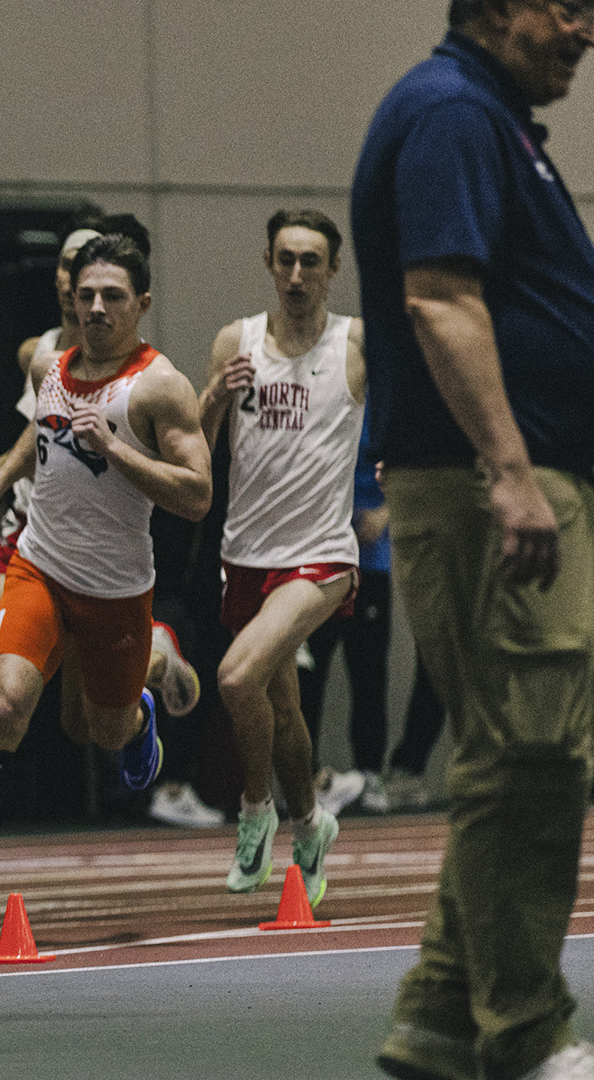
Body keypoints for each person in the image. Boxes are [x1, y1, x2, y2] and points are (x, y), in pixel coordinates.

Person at [353, 3, 594, 1077]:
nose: (585, 31)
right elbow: (441, 301)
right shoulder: (452, 113)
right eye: (566, 6)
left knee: (522, 753)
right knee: (531, 756)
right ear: (494, 9)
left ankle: (443, 1020)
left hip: (511, 476)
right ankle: (525, 1036)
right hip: (486, 481)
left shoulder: (486, 119)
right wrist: (509, 471)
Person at [0, 225, 212, 909]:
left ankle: (145, 697)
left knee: (100, 732)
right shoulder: (49, 369)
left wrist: (117, 450)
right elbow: (40, 433)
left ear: (141, 304)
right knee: (0, 702)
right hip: (39, 566)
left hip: (116, 588)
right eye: (87, 293)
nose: (96, 307)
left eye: (113, 296)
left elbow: (196, 495)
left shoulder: (159, 388)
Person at [197, 209, 364, 906]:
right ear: (269, 262)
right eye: (286, 259)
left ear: (333, 269)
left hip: (321, 556)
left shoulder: (354, 342)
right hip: (246, 554)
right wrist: (215, 394)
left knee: (236, 678)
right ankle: (312, 821)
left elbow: (412, 397)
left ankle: (255, 808)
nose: (297, 275)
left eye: (311, 261)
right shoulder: (235, 341)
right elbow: (194, 446)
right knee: (279, 705)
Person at [295, 428, 448, 814]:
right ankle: (307, 778)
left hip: (370, 564)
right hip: (319, 561)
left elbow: (414, 467)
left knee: (368, 674)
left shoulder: (382, 414)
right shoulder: (322, 411)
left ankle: (370, 773)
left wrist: (384, 513)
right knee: (310, 674)